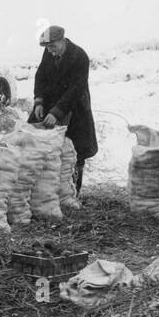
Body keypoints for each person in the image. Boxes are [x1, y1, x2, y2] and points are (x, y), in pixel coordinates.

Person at [28, 24, 98, 193]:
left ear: (62, 41)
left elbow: (76, 89)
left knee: (76, 151)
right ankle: (45, 192)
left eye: (52, 46)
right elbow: (41, 77)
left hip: (75, 106)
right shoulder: (49, 52)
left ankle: (73, 193)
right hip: (50, 102)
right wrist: (39, 101)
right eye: (47, 47)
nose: (50, 51)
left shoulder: (79, 56)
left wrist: (57, 112)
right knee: (35, 141)